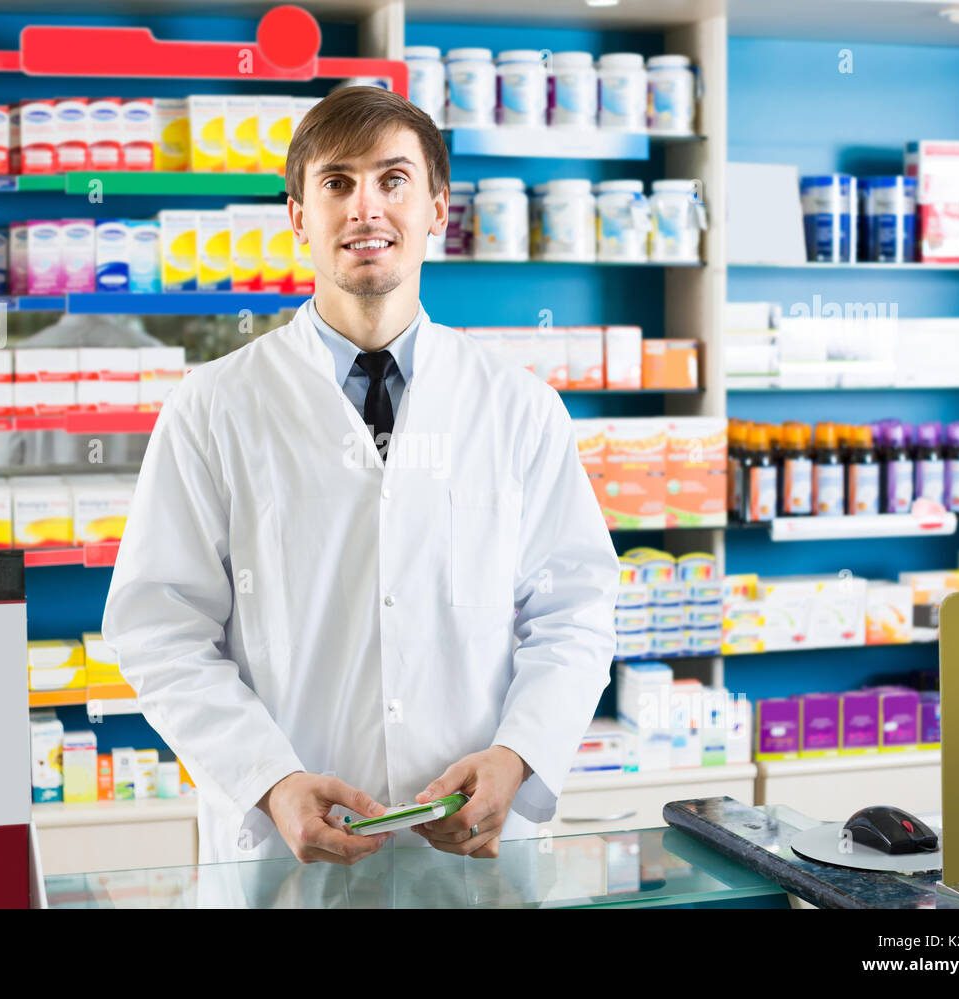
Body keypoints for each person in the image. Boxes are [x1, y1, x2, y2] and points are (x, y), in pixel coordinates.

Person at [102, 86, 619, 867]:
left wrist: (517, 755)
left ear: (439, 209)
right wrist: (269, 779)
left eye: (394, 180)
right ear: (298, 216)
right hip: (284, 853)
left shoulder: (520, 407)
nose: (365, 208)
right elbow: (158, 627)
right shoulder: (212, 407)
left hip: (473, 845)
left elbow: (574, 612)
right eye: (337, 183)